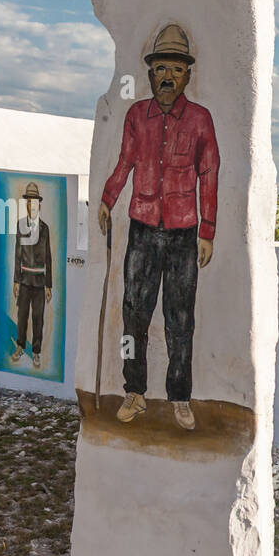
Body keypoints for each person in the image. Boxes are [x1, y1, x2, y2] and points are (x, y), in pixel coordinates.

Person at [98, 23, 219, 431]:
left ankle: (180, 397)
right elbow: (125, 163)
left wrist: (208, 231)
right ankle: (135, 391)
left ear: (188, 75)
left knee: (179, 319)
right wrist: (107, 198)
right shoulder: (137, 116)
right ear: (150, 73)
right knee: (134, 313)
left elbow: (210, 174)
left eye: (177, 70)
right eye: (161, 68)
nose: (168, 77)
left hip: (184, 232)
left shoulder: (201, 120)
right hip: (142, 229)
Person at [12, 182, 53, 370]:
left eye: (34, 202)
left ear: (39, 204)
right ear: (26, 205)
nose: (32, 206)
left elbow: (49, 257)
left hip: (39, 282)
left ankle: (36, 352)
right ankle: (20, 346)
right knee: (22, 316)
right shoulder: (21, 226)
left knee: (38, 318)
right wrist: (16, 280)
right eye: (29, 202)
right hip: (24, 280)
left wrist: (48, 285)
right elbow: (17, 254)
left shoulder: (45, 229)